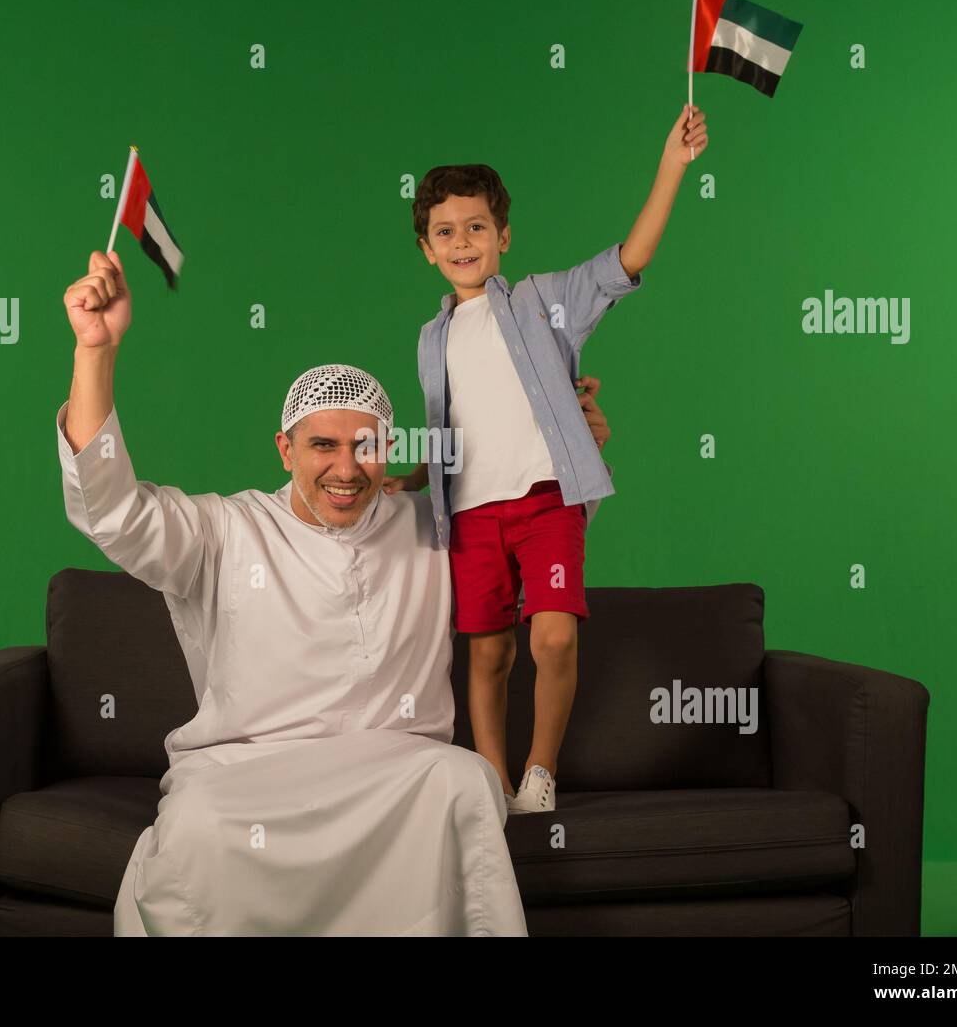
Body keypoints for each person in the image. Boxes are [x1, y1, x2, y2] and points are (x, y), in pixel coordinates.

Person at [56, 251, 617, 936]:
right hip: (247, 768)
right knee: (199, 825)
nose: (346, 469)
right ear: (284, 449)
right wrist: (96, 352)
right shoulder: (224, 529)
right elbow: (113, 512)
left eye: (367, 446)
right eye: (323, 445)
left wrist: (567, 455)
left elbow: (523, 527)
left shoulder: (433, 529)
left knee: (463, 781)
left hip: (395, 767)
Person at [384, 105, 709, 814]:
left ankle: (539, 773)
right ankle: (492, 784)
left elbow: (630, 257)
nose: (462, 241)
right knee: (488, 654)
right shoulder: (428, 339)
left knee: (553, 637)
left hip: (544, 500)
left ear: (503, 234)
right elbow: (448, 429)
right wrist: (405, 477)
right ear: (426, 249)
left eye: (476, 227)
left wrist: (672, 166)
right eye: (445, 232)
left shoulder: (543, 301)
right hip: (468, 516)